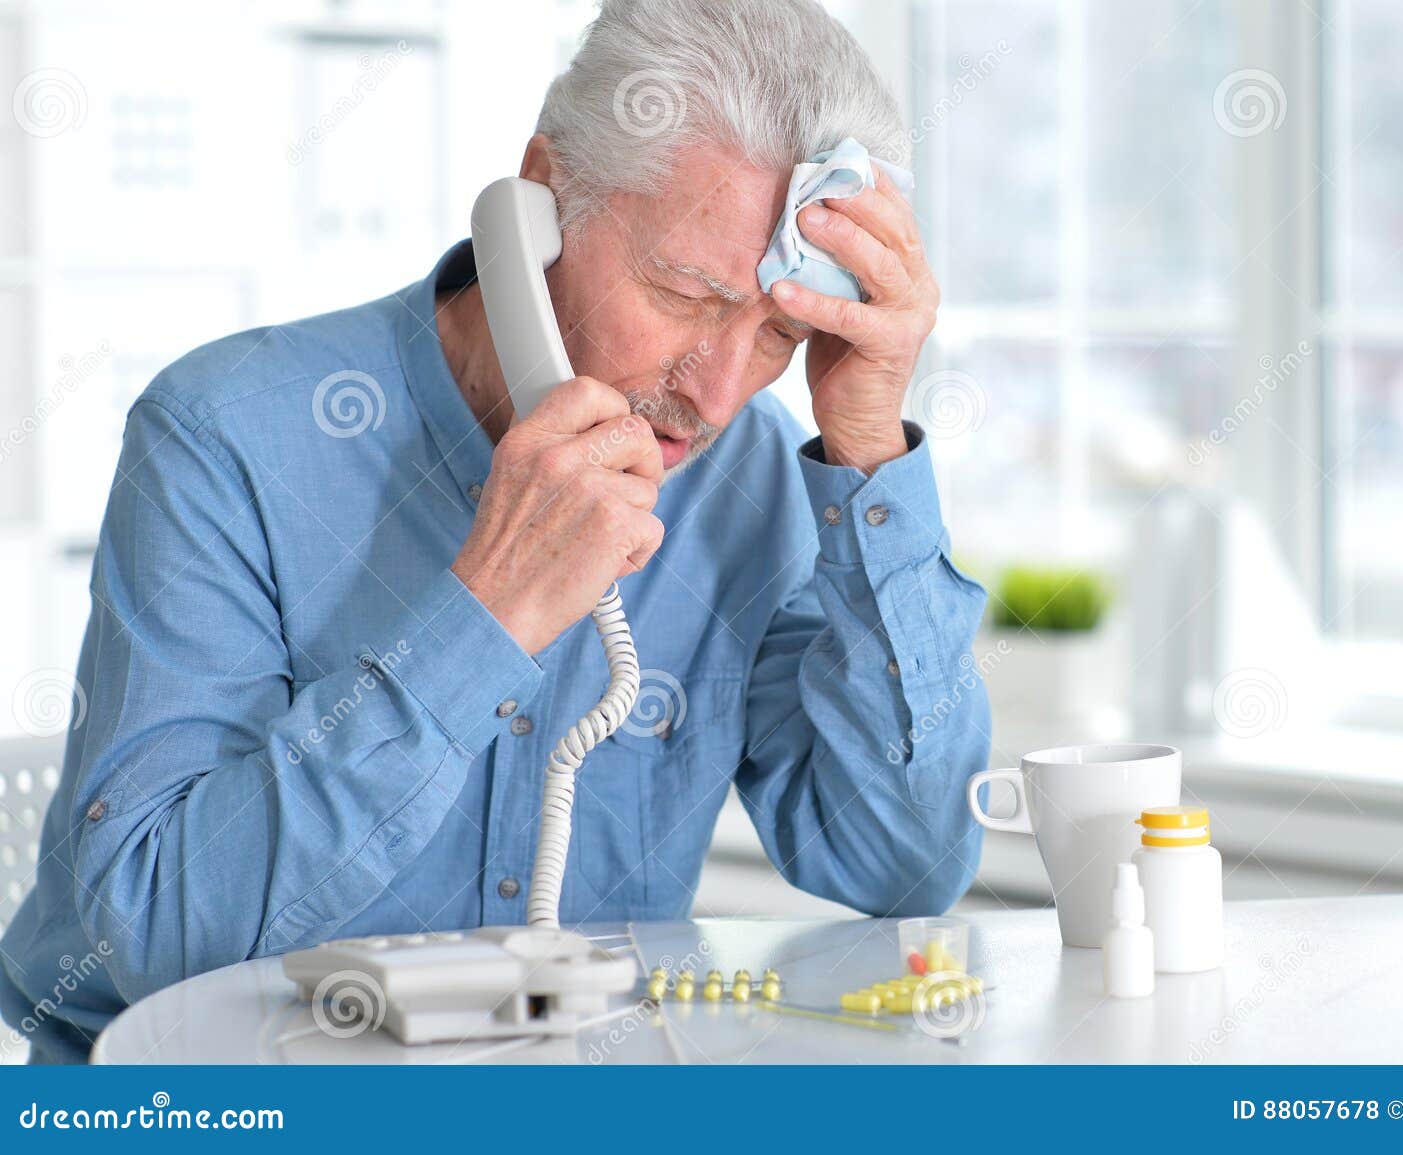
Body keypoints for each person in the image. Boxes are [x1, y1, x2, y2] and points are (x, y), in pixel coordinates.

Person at [0, 0, 989, 1062]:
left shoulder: (753, 481)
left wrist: (869, 453)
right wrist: (487, 615)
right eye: (685, 293)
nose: (714, 392)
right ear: (543, 195)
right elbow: (151, 938)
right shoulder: (227, 432)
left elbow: (901, 868)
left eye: (780, 333)